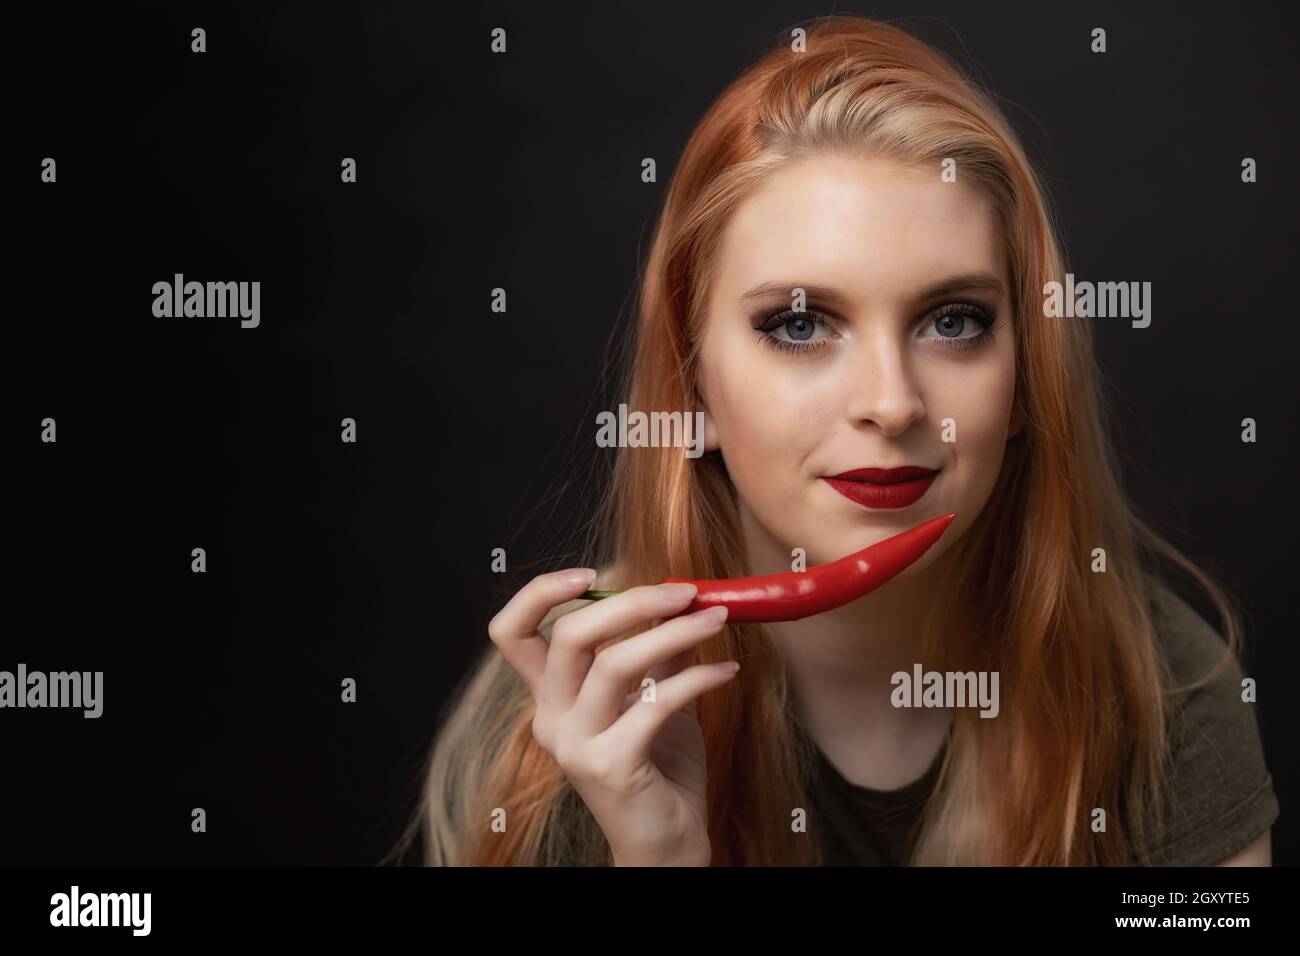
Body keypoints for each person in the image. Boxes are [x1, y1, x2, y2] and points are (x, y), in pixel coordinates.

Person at [399, 15, 1279, 866]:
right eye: (797, 324)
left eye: (954, 320)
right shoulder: (566, 729)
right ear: (691, 377)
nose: (893, 404)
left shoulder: (1159, 692)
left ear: (1026, 382)